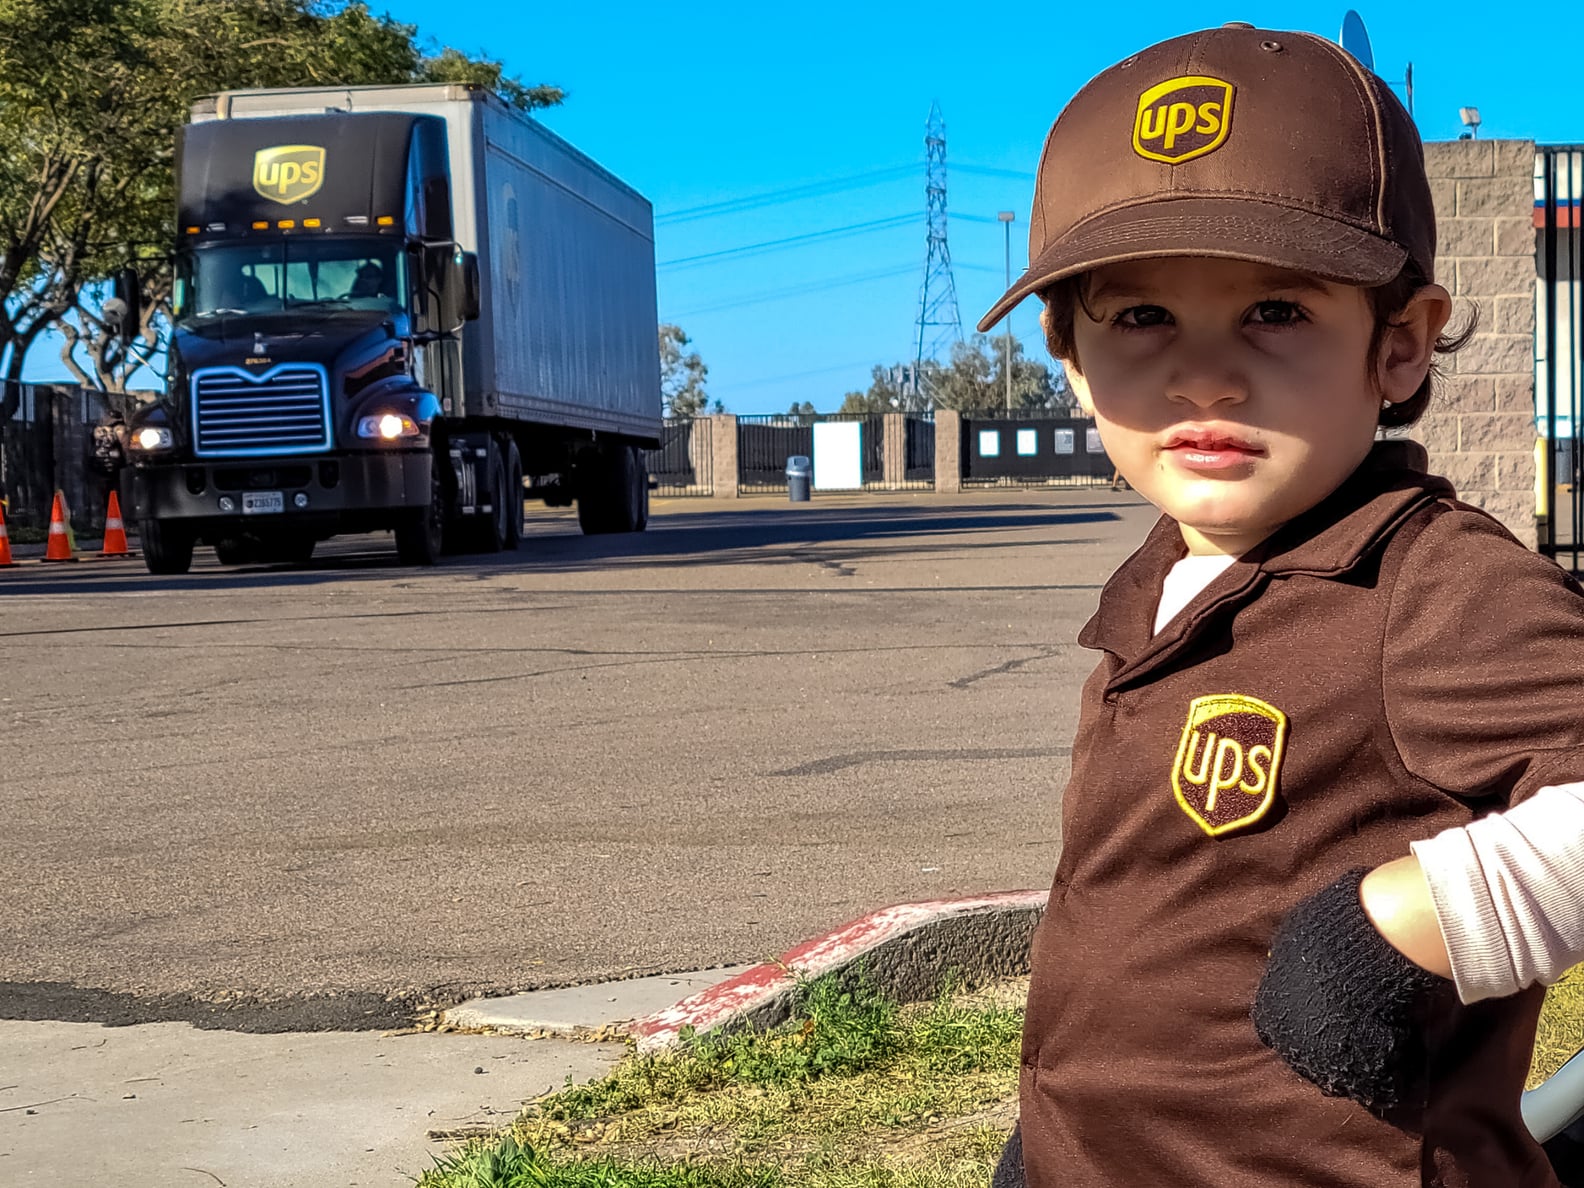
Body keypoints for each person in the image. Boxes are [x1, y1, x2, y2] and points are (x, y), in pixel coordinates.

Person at [979, 24, 1584, 1188]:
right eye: (1139, 318)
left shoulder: (1432, 586)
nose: (1203, 372)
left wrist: (1405, 925)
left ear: (1399, 344)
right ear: (1069, 357)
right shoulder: (1169, 578)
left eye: (1277, 311)